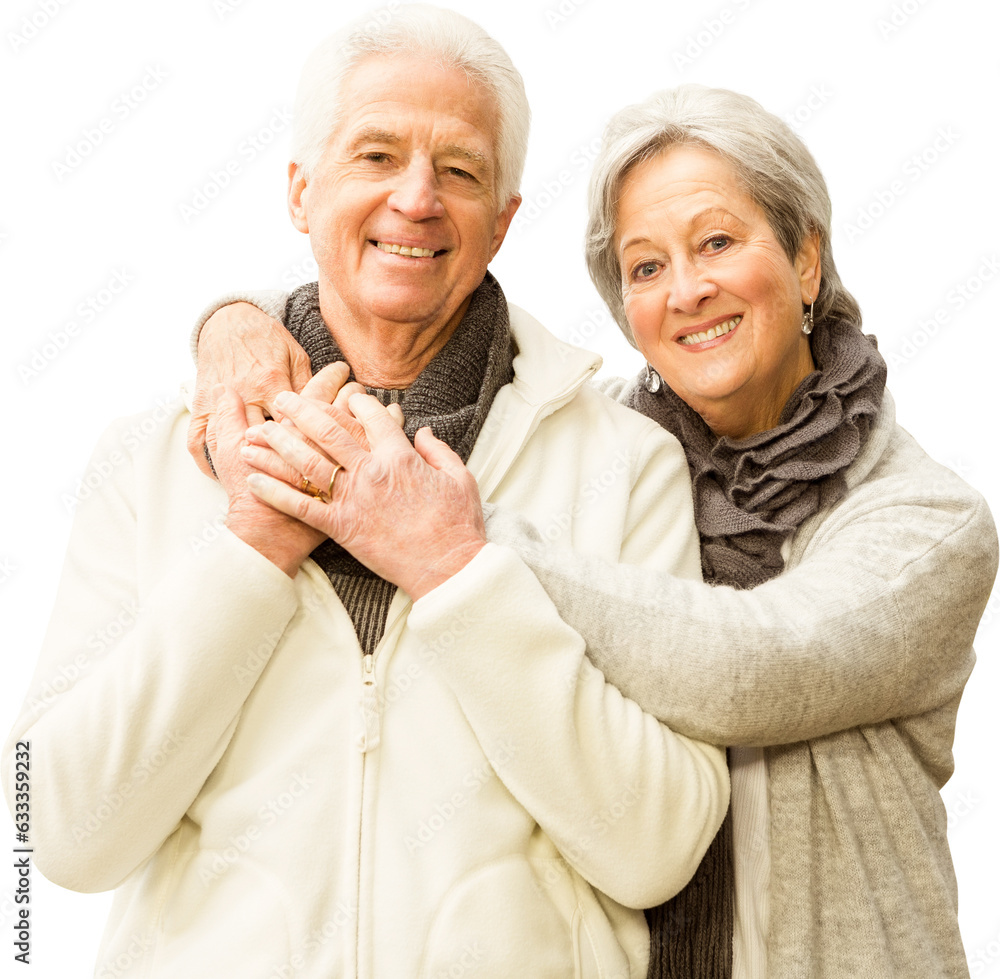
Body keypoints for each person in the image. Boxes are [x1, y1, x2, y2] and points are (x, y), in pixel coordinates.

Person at [194, 84, 998, 977]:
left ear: (806, 261)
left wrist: (462, 543)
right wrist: (237, 322)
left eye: (718, 242)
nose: (687, 290)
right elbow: (421, 323)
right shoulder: (602, 456)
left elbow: (751, 665)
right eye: (645, 268)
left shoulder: (929, 523)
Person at [0, 11, 730, 979]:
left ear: (504, 219)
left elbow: (654, 847)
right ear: (302, 192)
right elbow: (52, 830)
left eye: (460, 170)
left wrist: (453, 572)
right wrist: (251, 547)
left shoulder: (623, 461)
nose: (417, 198)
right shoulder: (149, 457)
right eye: (376, 154)